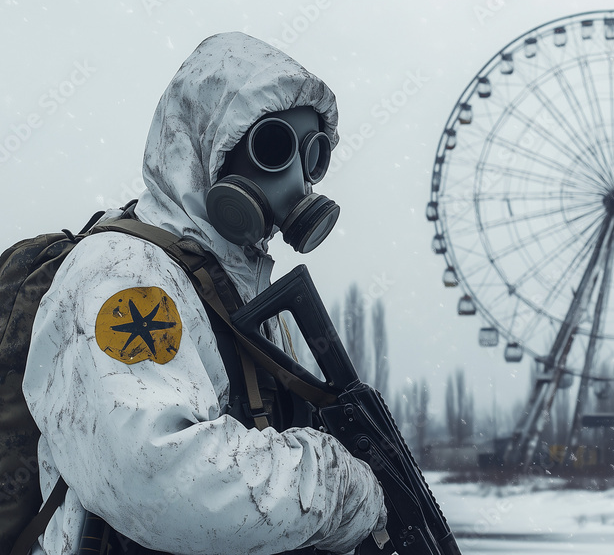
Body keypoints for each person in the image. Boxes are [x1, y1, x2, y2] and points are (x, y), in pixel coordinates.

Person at [21, 32, 387, 554]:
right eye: (275, 147)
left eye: (314, 154)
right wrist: (333, 487)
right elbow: (156, 475)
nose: (299, 181)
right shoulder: (126, 273)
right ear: (208, 145)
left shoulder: (258, 303)